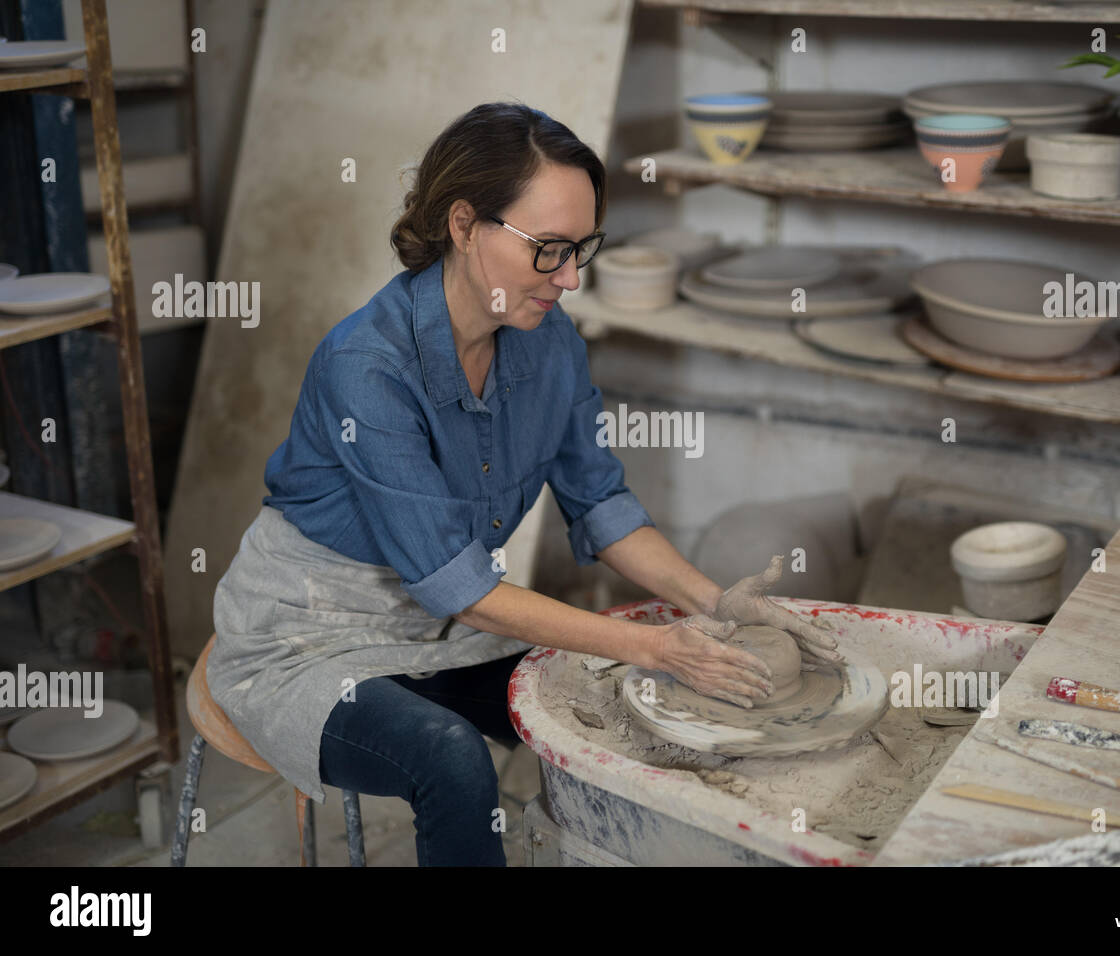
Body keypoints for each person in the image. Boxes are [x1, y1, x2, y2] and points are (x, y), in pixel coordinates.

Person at [206, 102, 842, 866]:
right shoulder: (367, 368)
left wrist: (713, 603)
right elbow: (463, 587)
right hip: (305, 640)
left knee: (598, 702)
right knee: (450, 758)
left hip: (435, 629)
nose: (571, 278)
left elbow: (600, 504)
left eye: (583, 249)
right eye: (550, 250)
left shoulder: (549, 342)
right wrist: (655, 645)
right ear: (465, 224)